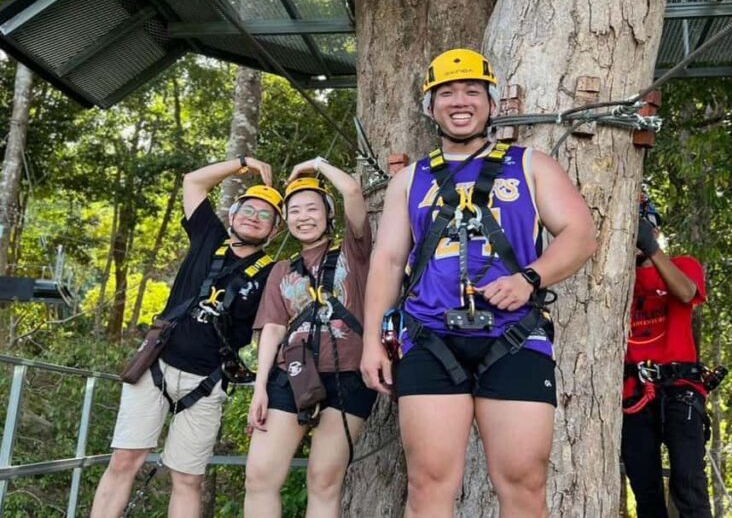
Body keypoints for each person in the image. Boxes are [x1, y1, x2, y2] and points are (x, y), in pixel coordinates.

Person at [360, 48, 597, 517]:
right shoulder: (410, 180)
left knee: (524, 480)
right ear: (430, 107)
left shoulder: (530, 165)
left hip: (514, 335)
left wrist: (530, 278)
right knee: (428, 484)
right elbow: (387, 261)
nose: (460, 101)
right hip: (428, 335)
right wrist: (372, 343)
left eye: (472, 91)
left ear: (491, 102)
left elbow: (581, 234)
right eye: (446, 93)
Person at [91, 156, 281, 518]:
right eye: (247, 209)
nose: (253, 217)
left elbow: (272, 331)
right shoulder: (209, 237)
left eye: (264, 215)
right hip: (156, 366)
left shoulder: (273, 274)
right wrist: (243, 163)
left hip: (208, 381)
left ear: (273, 232)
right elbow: (193, 182)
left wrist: (263, 388)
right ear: (233, 215)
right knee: (124, 460)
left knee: (188, 478)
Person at [244, 158, 376, 518]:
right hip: (292, 373)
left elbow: (352, 191)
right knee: (259, 476)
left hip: (348, 374)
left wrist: (317, 165)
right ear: (286, 220)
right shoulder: (281, 271)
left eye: (312, 208)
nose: (304, 217)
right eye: (295, 211)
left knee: (323, 480)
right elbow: (273, 329)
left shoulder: (354, 251)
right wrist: (260, 388)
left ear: (328, 214)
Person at [621, 195, 715, 518]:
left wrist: (651, 248)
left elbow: (687, 293)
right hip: (634, 394)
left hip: (680, 390)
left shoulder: (683, 266)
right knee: (645, 491)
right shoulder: (616, 281)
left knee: (688, 483)